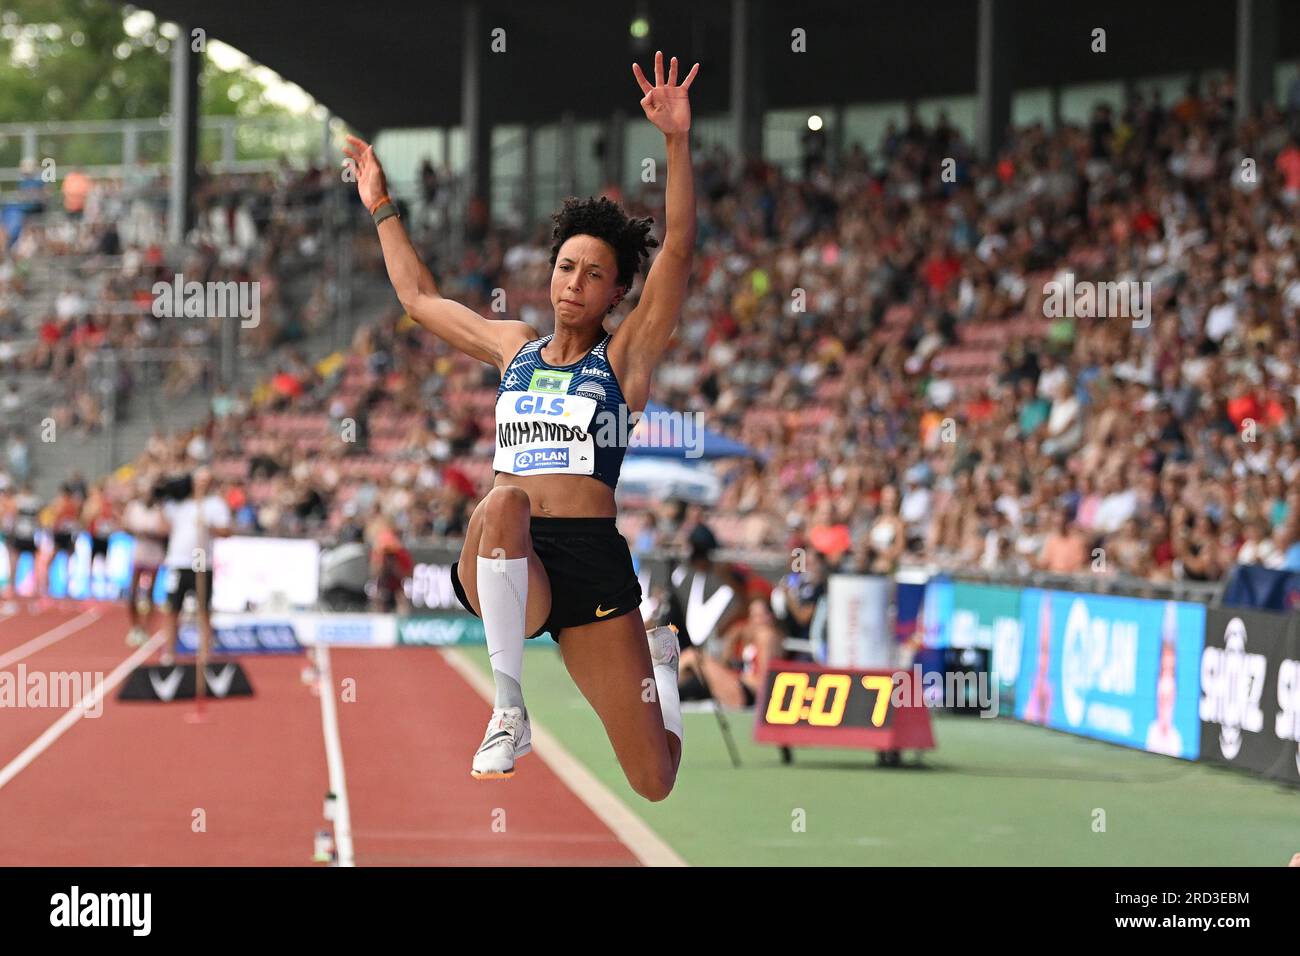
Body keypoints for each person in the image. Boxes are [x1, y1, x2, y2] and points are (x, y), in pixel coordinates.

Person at [343, 50, 699, 801]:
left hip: (591, 561)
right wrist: (380, 202)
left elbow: (678, 252)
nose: (573, 283)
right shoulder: (513, 348)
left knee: (654, 780)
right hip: (511, 551)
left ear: (615, 292)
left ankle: (661, 667)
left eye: (593, 274)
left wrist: (674, 143)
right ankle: (509, 711)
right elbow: (416, 296)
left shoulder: (625, 359)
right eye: (566, 267)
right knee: (502, 500)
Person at [157, 468, 232, 666]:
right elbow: (163, 526)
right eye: (198, 481)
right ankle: (170, 652)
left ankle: (205, 653)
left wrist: (208, 524)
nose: (201, 485)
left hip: (200, 560)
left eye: (205, 481)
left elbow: (226, 530)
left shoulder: (214, 505)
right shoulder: (179, 504)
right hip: (177, 561)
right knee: (172, 608)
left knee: (203, 609)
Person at [123, 477, 168, 646]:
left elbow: (164, 530)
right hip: (138, 554)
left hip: (155, 554)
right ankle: (135, 627)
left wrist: (150, 532)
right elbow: (125, 526)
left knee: (150, 593)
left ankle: (147, 628)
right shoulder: (134, 507)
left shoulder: (159, 509)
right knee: (132, 593)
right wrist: (138, 531)